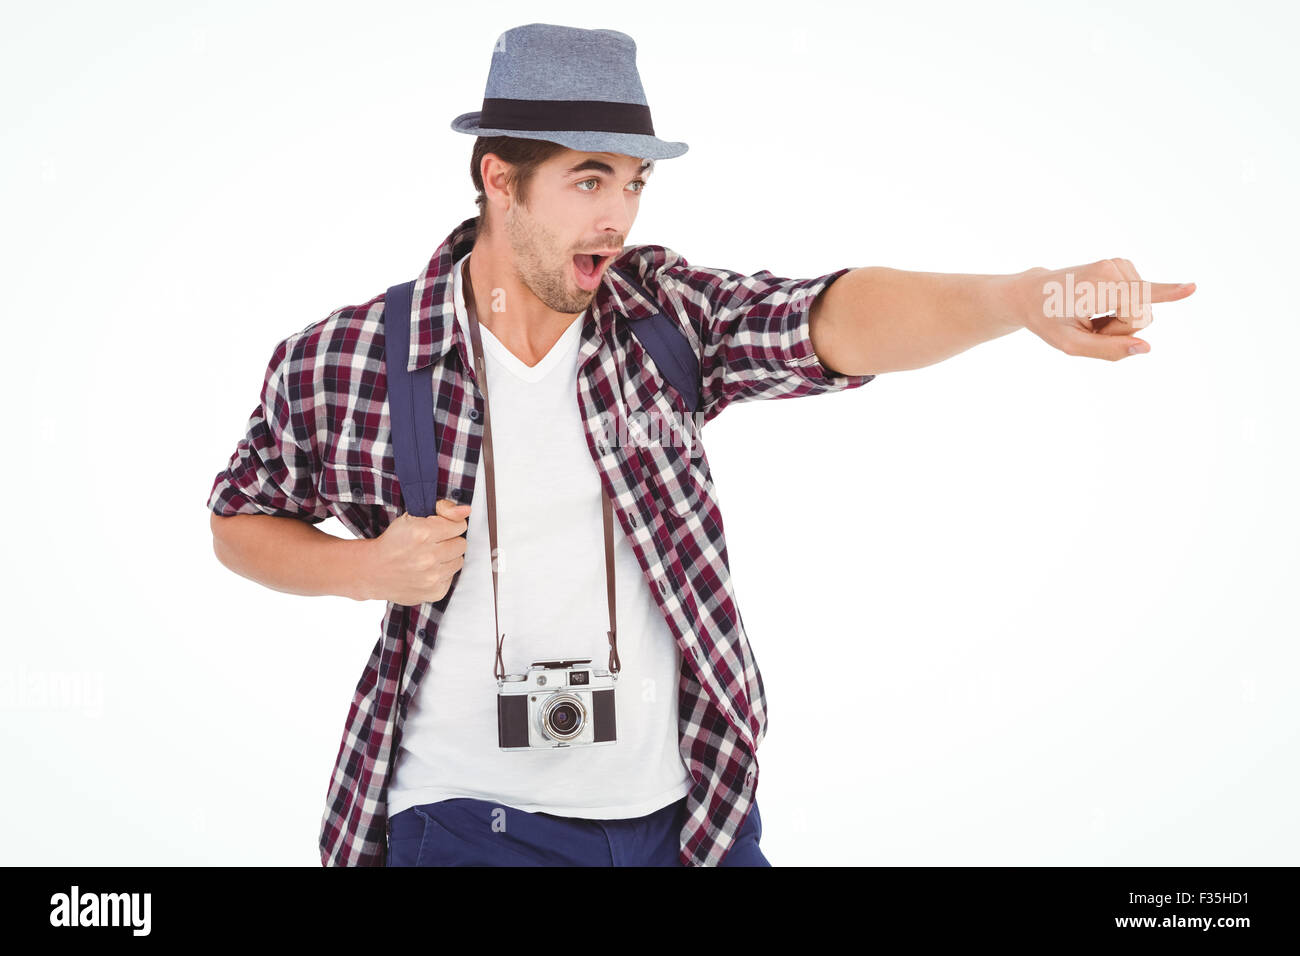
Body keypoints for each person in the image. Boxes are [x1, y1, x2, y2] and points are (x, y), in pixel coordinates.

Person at [205, 23, 1196, 868]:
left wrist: (1017, 299)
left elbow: (826, 317)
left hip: (689, 815)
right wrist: (363, 564)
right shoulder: (354, 359)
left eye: (633, 183)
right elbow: (239, 515)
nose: (618, 216)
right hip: (469, 815)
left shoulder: (657, 317)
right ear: (497, 180)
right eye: (588, 179)